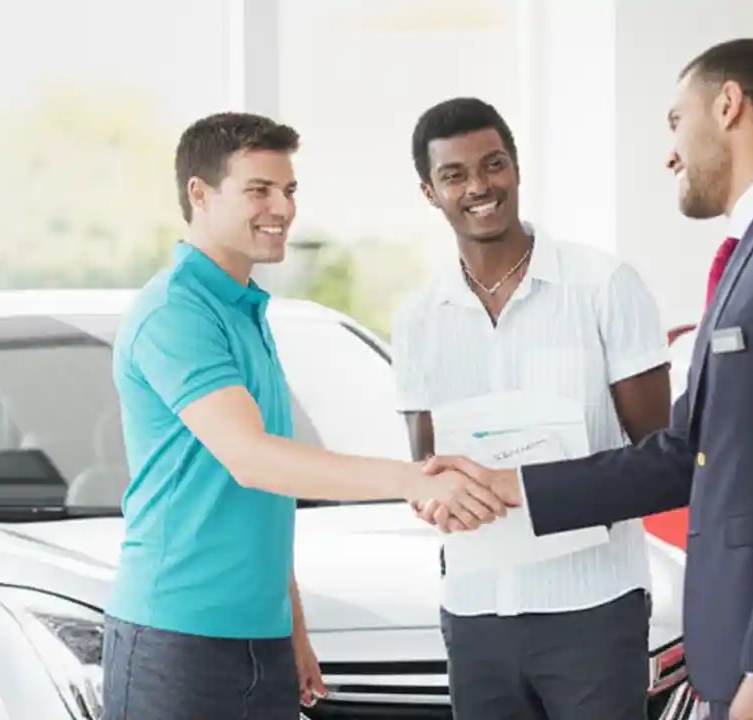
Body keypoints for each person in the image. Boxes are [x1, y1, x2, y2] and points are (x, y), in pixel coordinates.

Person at [422, 39, 753, 720]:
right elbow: (684, 458)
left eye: (677, 121)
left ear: (729, 105)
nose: (670, 151)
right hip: (747, 663)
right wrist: (509, 487)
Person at [101, 111, 507, 720]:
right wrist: (409, 478)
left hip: (258, 639)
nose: (283, 208)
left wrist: (290, 625)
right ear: (200, 194)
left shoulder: (246, 310)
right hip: (177, 639)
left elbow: (268, 492)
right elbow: (252, 460)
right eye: (258, 190)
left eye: (289, 190)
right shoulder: (175, 312)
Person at [393, 97, 672, 719]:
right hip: (475, 615)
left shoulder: (604, 286)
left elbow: (662, 459)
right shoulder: (418, 318)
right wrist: (435, 493)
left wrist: (536, 486)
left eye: (493, 165)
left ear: (516, 169)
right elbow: (423, 465)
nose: (479, 187)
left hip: (594, 611)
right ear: (429, 192)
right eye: (454, 175)